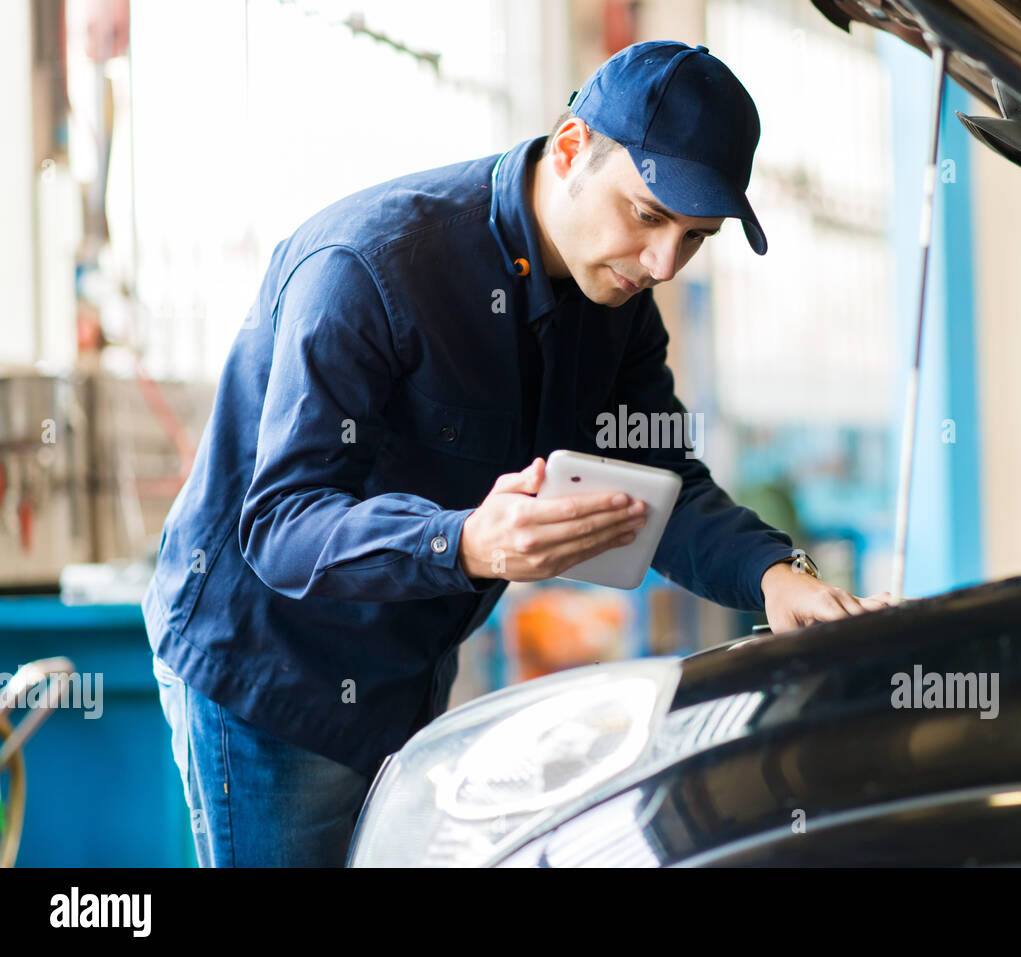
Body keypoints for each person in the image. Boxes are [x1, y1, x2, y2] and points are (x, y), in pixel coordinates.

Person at [144, 40, 891, 868]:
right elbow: (284, 524)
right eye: (648, 215)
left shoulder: (617, 298)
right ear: (571, 148)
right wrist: (464, 543)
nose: (662, 263)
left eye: (696, 237)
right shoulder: (370, 269)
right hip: (272, 668)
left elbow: (658, 483)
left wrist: (775, 575)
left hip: (406, 669)